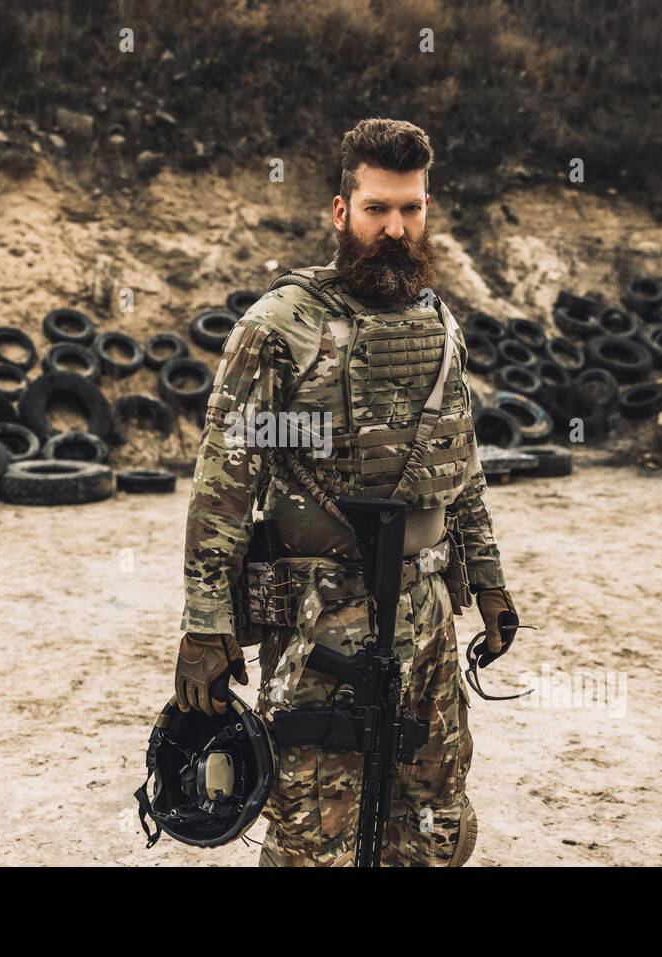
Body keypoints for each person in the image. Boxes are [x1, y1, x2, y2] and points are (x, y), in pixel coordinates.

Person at [174, 117, 517, 866]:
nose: (396, 229)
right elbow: (223, 485)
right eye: (377, 210)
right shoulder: (280, 326)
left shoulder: (439, 320)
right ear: (341, 213)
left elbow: (460, 468)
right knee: (313, 839)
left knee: (435, 827)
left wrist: (489, 583)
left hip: (427, 613)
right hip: (322, 621)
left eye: (412, 209)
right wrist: (204, 626)